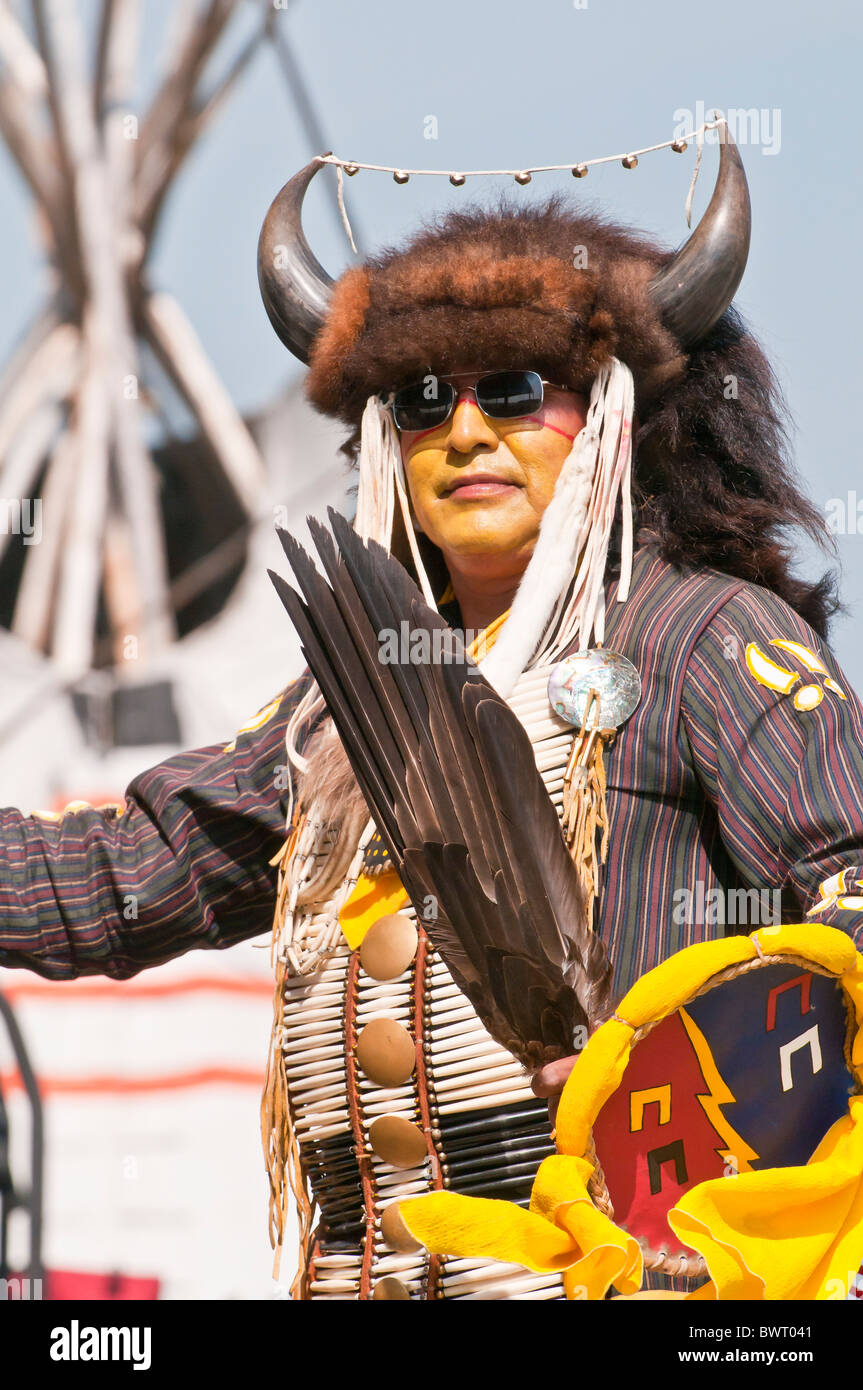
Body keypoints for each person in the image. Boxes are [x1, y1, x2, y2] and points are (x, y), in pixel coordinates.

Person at [2, 125, 862, 1299]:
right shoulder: (345, 710)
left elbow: (851, 888)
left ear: (609, 414)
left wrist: (681, 1065)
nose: (460, 432)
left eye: (512, 391)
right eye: (416, 401)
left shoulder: (702, 638)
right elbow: (122, 875)